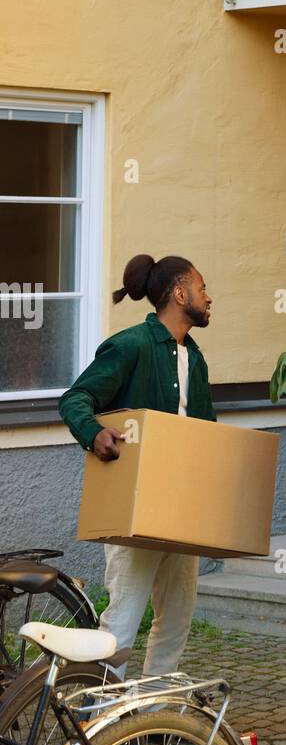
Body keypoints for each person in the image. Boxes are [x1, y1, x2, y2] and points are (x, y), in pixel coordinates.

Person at [59, 254, 215, 676]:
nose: (208, 297)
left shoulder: (194, 358)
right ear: (180, 293)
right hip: (135, 504)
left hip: (182, 509)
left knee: (178, 616)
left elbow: (207, 432)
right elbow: (75, 399)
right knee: (124, 619)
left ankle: (150, 716)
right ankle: (99, 718)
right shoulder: (131, 345)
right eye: (202, 288)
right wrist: (95, 434)